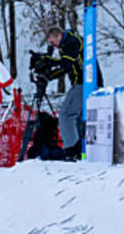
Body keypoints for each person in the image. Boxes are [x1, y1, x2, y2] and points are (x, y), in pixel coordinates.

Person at [42, 25, 85, 160]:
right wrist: (49, 64)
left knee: (66, 115)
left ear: (59, 36)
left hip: (83, 83)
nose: (53, 46)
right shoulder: (69, 42)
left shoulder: (71, 42)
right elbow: (66, 64)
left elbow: (66, 65)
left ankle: (71, 151)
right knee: (76, 118)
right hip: (82, 82)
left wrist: (49, 72)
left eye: (52, 42)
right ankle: (77, 150)